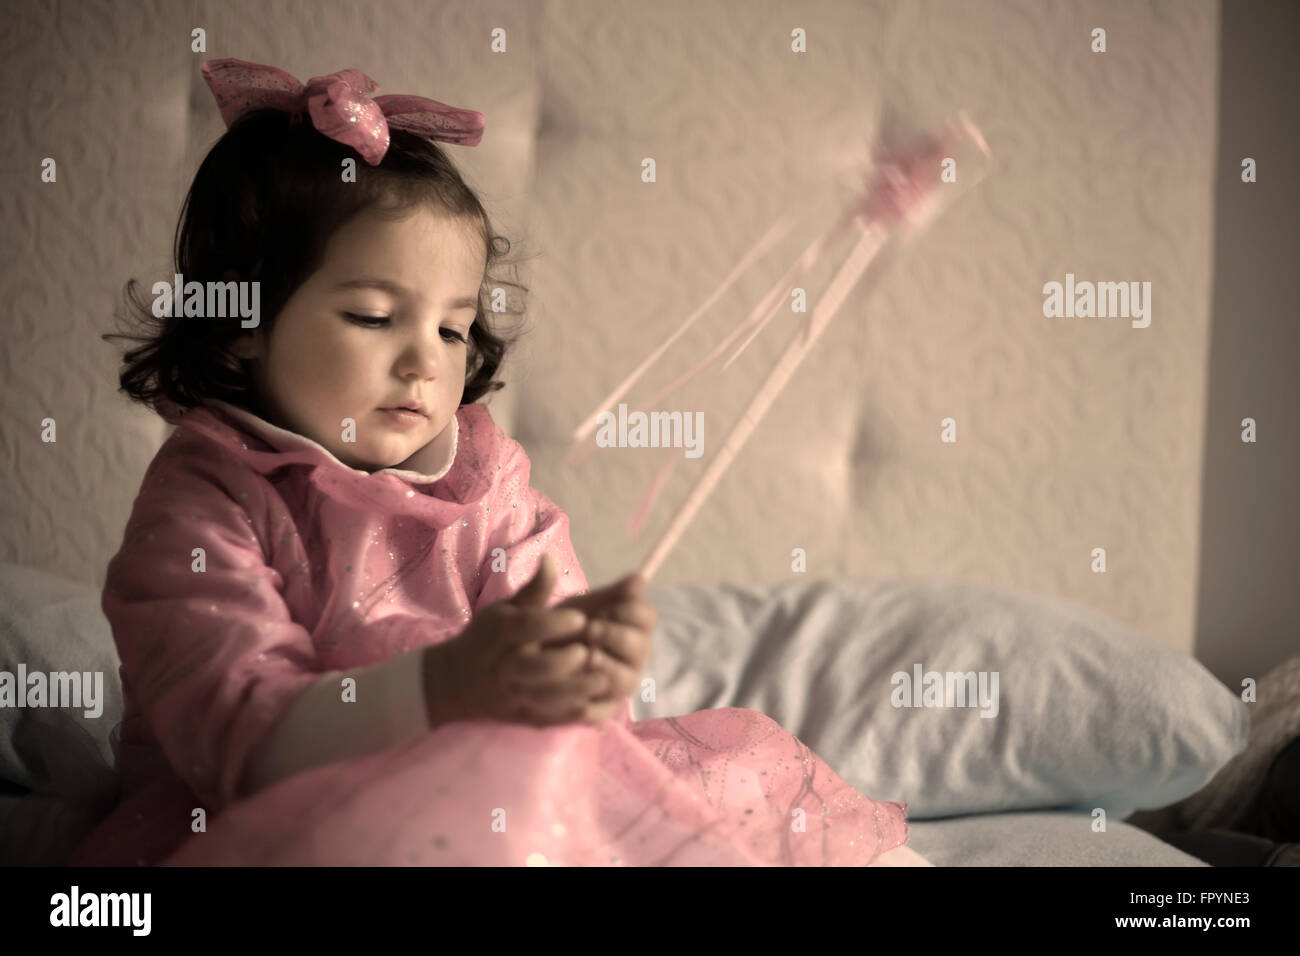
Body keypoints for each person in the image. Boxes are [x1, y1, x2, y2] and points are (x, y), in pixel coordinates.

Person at [71, 58, 910, 866]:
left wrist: (583, 672)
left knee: (720, 785)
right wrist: (440, 687)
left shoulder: (486, 486)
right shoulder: (206, 495)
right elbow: (244, 742)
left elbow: (568, 725)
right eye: (372, 317)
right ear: (243, 317)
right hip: (266, 816)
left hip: (495, 802)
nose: (423, 363)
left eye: (450, 329)